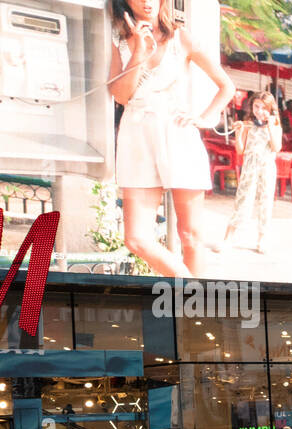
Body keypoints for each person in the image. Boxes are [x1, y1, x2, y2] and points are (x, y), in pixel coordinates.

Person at [108, 0, 235, 278]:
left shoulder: (181, 37)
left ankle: (192, 314)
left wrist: (205, 118)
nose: (146, 1)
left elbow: (226, 85)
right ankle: (195, 293)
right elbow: (120, 96)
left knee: (190, 235)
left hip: (177, 132)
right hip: (137, 135)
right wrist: (139, 50)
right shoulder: (119, 41)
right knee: (137, 238)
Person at [222, 92, 282, 255]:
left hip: (267, 166)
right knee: (242, 200)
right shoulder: (248, 124)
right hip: (250, 166)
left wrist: (269, 126)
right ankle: (228, 238)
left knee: (265, 202)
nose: (260, 111)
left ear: (270, 109)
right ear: (252, 106)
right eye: (257, 106)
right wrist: (238, 132)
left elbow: (276, 147)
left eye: (264, 108)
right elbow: (240, 150)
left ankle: (262, 239)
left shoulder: (275, 124)